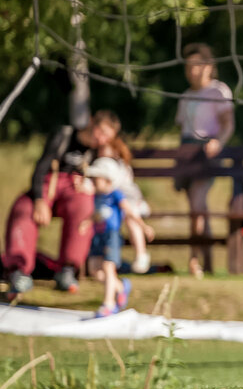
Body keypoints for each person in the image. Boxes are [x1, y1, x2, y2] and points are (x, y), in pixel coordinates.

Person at [3, 111, 121, 300]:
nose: (102, 139)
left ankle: (68, 269)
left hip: (74, 191)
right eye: (101, 132)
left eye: (107, 137)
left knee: (83, 207)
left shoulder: (98, 150)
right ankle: (19, 270)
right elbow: (41, 167)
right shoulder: (64, 135)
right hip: (49, 184)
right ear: (92, 123)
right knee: (23, 209)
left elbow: (108, 179)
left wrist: (88, 185)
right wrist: (39, 200)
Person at [175, 43, 234, 278]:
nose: (193, 71)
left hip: (207, 154)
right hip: (187, 153)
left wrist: (218, 142)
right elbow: (183, 127)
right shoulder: (186, 95)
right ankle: (207, 262)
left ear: (209, 67)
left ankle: (193, 259)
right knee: (198, 208)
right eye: (189, 66)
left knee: (198, 206)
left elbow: (228, 124)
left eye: (197, 65)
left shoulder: (219, 91)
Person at [83, 158, 152, 317]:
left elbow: (129, 212)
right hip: (97, 236)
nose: (93, 181)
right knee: (94, 270)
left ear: (108, 179)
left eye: (96, 178)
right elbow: (96, 214)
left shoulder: (116, 195)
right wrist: (87, 222)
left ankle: (108, 304)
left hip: (111, 235)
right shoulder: (96, 196)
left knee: (108, 267)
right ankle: (121, 287)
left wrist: (143, 226)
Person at [100, 138, 155, 274]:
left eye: (104, 148)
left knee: (131, 219)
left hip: (129, 200)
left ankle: (141, 254)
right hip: (114, 203)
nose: (101, 151)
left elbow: (114, 185)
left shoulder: (120, 166)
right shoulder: (102, 164)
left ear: (115, 150)